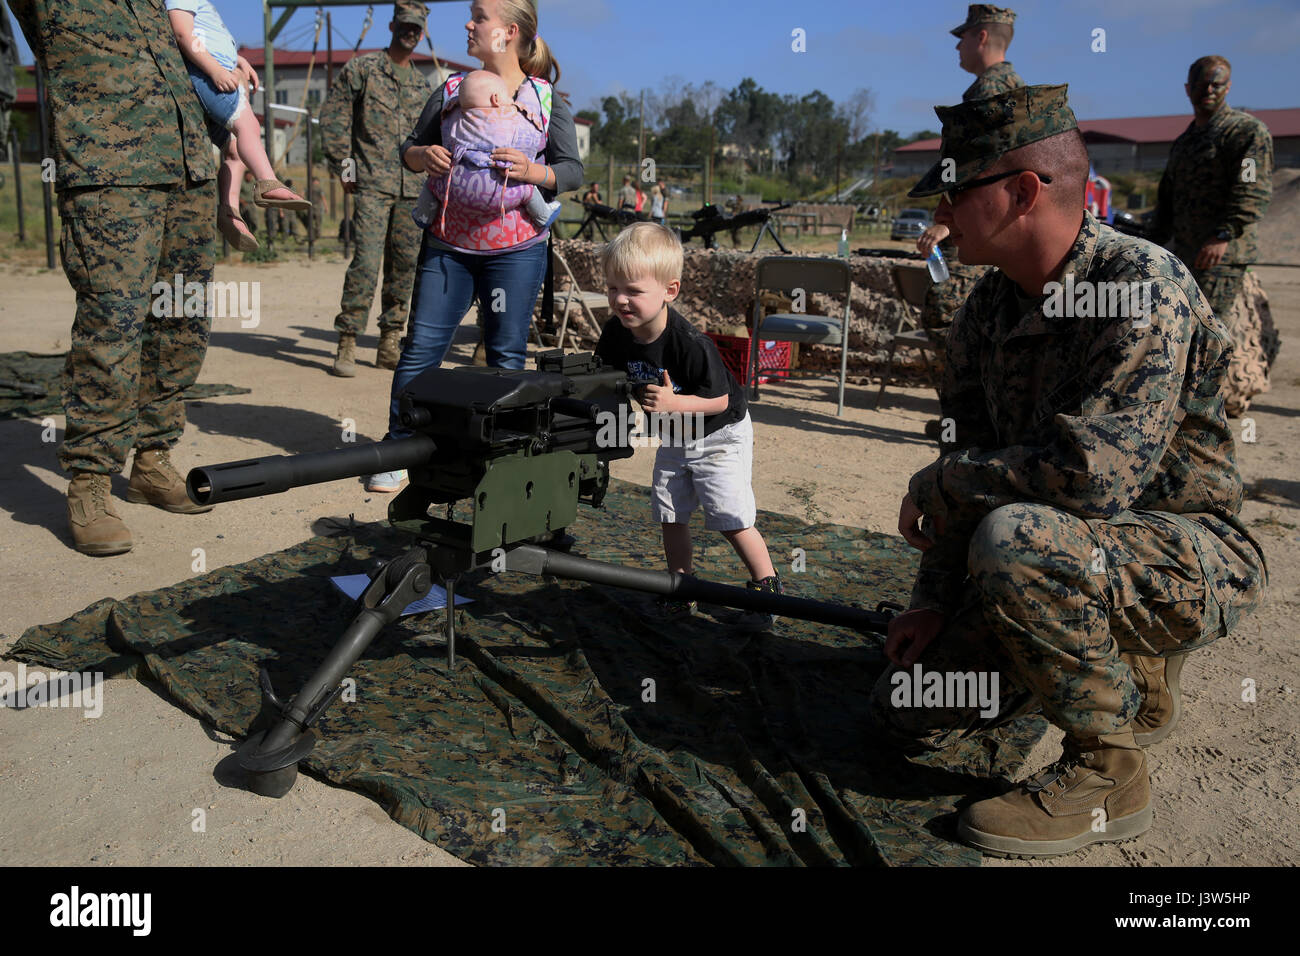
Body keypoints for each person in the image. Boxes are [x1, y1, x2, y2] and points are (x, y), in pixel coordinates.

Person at [869, 84, 1266, 858]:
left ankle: (1110, 771)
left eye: (955, 192)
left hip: (1180, 553)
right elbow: (967, 460)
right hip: (1059, 550)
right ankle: (1084, 661)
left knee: (1017, 538)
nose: (940, 215)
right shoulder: (986, 310)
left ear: (1023, 192)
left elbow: (1092, 480)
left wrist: (944, 486)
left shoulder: (1137, 286)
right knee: (909, 703)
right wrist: (932, 602)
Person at [11, 0, 219, 555]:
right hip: (106, 171)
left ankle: (152, 459)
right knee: (111, 326)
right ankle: (90, 482)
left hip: (186, 163)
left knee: (183, 318)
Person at [370, 0, 582, 493]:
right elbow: (409, 148)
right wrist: (422, 155)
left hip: (517, 250)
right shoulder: (448, 90)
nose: (468, 24)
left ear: (508, 32)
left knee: (506, 356)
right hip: (449, 245)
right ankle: (400, 447)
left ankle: (500, 459)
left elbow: (571, 169)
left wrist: (535, 172)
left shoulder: (546, 100)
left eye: (479, 16)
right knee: (421, 348)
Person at [595, 224, 782, 628]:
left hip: (719, 434)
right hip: (675, 434)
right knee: (671, 512)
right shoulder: (615, 332)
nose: (620, 300)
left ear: (670, 291)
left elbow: (721, 399)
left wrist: (674, 402)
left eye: (632, 291)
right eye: (612, 288)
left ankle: (767, 587)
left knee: (729, 514)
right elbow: (603, 375)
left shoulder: (688, 342)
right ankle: (681, 585)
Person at [1149, 55, 1274, 414]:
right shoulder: (1186, 141)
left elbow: (1253, 191)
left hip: (1222, 254)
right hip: (1185, 254)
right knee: (1182, 329)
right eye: (1201, 84)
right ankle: (1182, 404)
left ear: (1229, 87)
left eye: (1216, 84)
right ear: (1188, 89)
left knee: (1209, 332)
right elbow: (1167, 200)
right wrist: (1154, 246)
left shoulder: (1246, 133)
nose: (1208, 91)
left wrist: (1223, 235)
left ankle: (1203, 410)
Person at [319, 1, 433, 377]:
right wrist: (345, 169)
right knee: (366, 264)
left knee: (404, 266)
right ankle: (348, 339)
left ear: (422, 31)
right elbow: (334, 118)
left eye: (416, 28)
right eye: (405, 26)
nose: (410, 33)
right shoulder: (363, 69)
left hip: (411, 189)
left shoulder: (422, 84)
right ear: (392, 25)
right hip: (369, 184)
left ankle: (389, 340)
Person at [164, 0, 310, 254]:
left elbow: (203, 35)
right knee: (249, 127)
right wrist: (216, 70)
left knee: (235, 150)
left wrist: (238, 59)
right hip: (208, 76)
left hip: (212, 72)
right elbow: (182, 33)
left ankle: (229, 211)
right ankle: (267, 182)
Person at [917, 4, 1024, 259]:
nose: (957, 47)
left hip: (980, 223)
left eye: (962, 38)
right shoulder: (1016, 86)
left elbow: (982, 166)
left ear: (981, 37)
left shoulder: (988, 92)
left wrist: (950, 222)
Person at [410, 69, 562, 234]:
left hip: (454, 188)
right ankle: (543, 215)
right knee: (528, 190)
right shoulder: (512, 117)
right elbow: (532, 139)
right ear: (496, 98)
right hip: (502, 193)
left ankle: (424, 215)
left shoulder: (453, 118)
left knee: (431, 184)